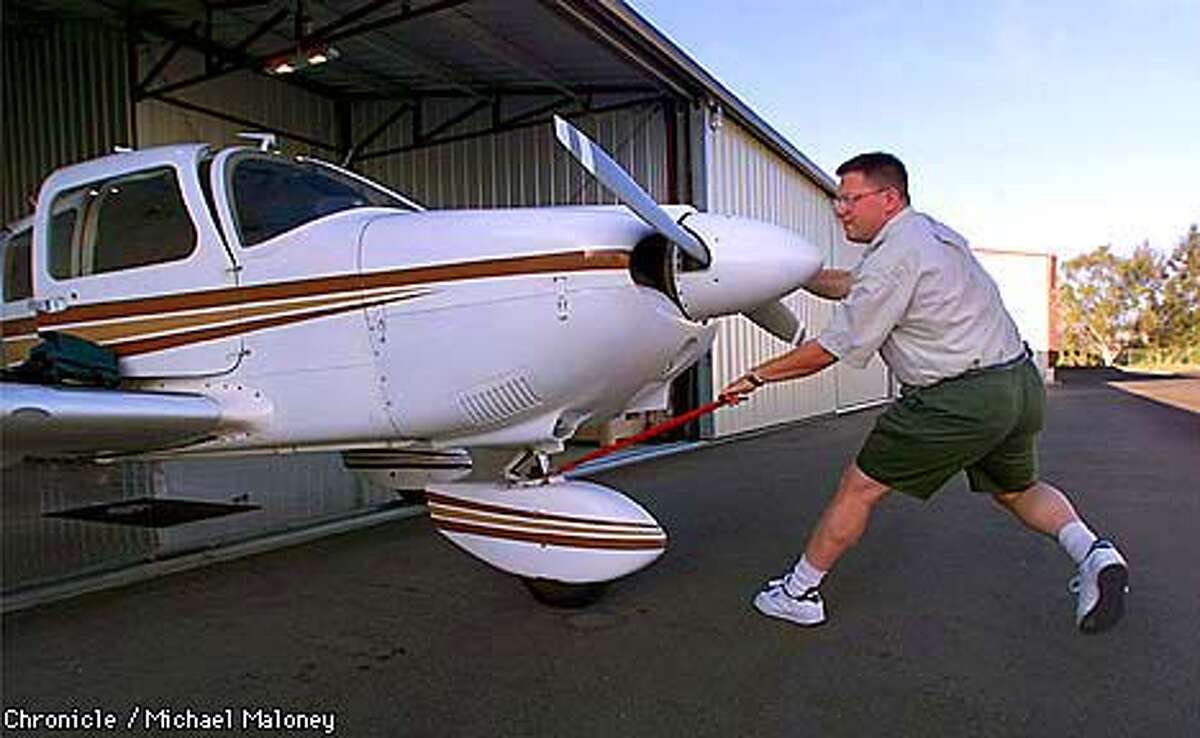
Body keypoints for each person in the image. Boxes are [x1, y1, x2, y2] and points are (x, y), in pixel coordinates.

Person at [720, 152, 1129, 633]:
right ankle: (1094, 553)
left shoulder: (893, 259)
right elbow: (853, 284)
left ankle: (798, 592)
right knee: (1017, 489)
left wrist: (755, 376)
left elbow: (831, 349)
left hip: (957, 399)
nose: (839, 209)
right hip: (1017, 384)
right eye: (837, 200)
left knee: (859, 487)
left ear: (889, 198)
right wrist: (793, 274)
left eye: (850, 199)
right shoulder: (929, 234)